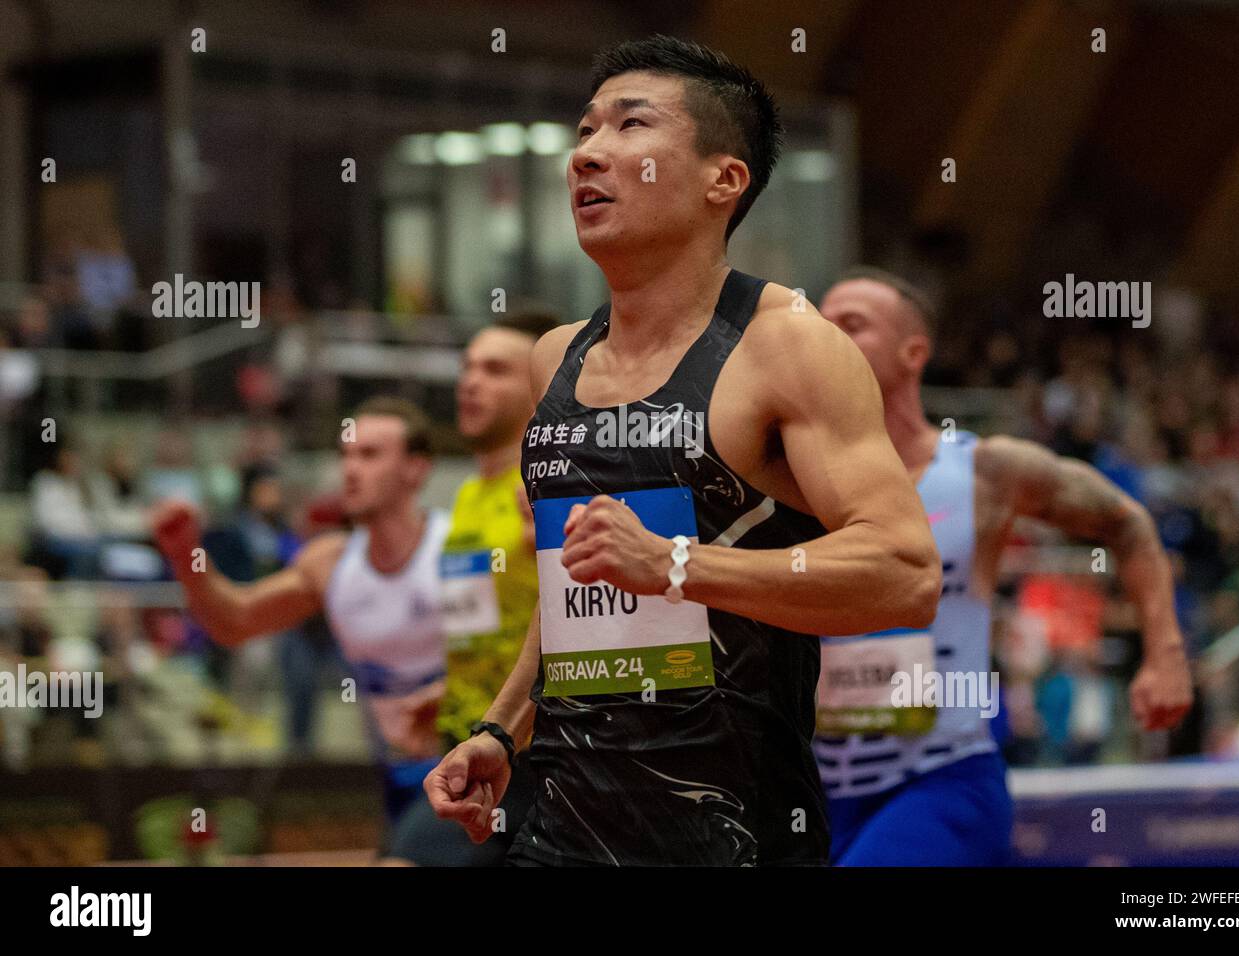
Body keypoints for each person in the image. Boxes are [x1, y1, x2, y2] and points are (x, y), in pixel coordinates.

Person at [425, 36, 941, 867]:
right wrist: (502, 727)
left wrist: (673, 565)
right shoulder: (553, 358)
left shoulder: (789, 349)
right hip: (562, 828)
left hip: (733, 837)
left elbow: (906, 574)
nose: (589, 152)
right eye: (585, 130)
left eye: (631, 127)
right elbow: (577, 587)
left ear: (722, 180)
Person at [813, 266, 1195, 865]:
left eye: (851, 324)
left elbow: (1126, 522)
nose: (826, 336)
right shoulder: (784, 480)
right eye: (820, 322)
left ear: (914, 352)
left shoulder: (983, 472)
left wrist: (1164, 651)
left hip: (943, 780)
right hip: (815, 793)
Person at [151, 396, 451, 858]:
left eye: (370, 455)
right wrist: (186, 557)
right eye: (346, 454)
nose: (350, 469)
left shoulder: (457, 547)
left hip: (482, 778)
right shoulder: (330, 562)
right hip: (399, 783)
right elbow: (235, 621)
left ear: (417, 469)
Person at [387, 311, 553, 865]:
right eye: (467, 368)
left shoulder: (550, 484)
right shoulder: (467, 496)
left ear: (542, 385)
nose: (470, 381)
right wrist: (445, 692)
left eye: (495, 369)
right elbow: (491, 624)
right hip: (464, 743)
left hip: (537, 756)